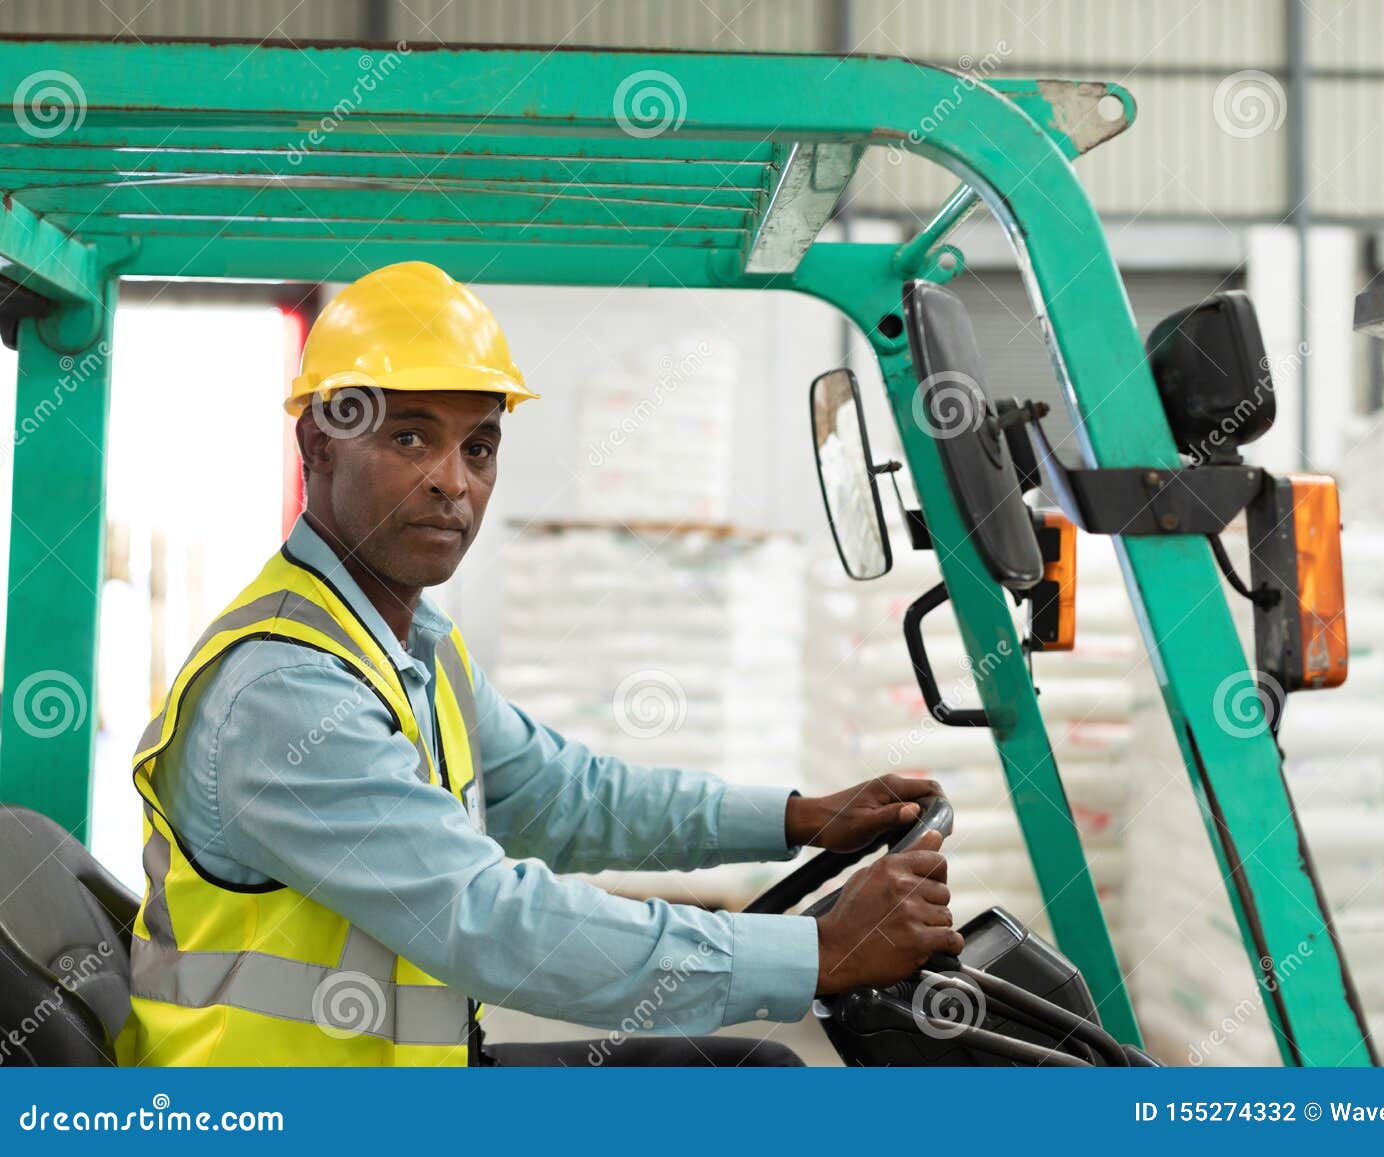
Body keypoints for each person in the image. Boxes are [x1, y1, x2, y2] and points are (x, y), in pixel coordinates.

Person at [116, 262, 960, 1068]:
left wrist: (797, 818)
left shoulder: (411, 644)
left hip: (417, 1073)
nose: (453, 482)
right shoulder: (285, 689)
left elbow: (567, 796)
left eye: (478, 447)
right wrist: (814, 952)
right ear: (321, 442)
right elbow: (488, 923)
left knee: (751, 1071)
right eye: (411, 437)